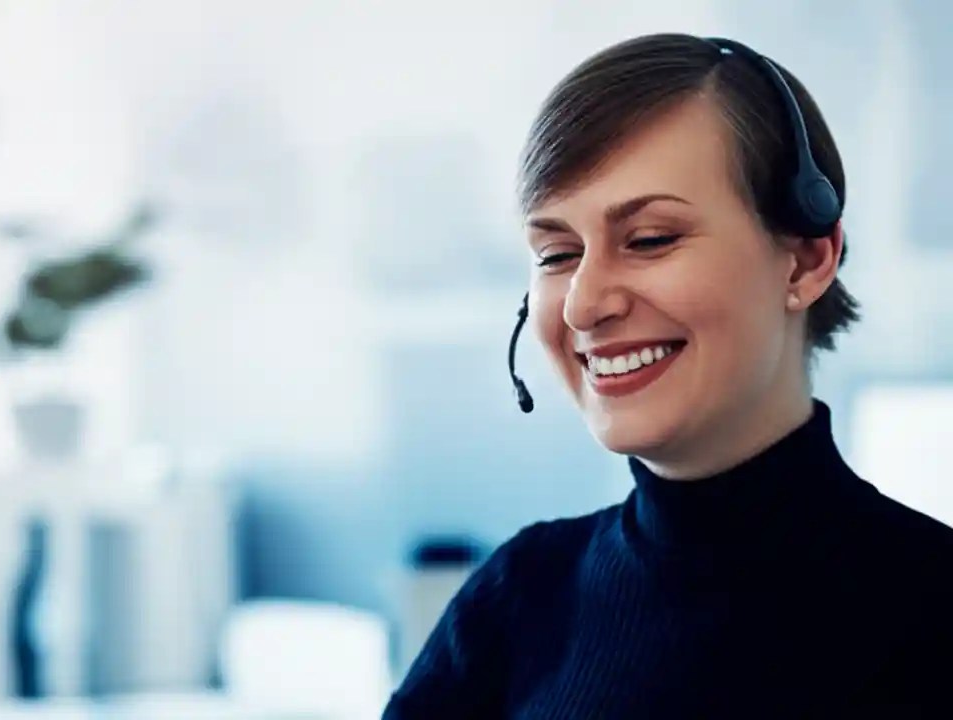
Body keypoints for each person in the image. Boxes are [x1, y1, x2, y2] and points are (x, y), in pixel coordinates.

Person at [383, 33, 953, 719]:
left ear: (804, 262)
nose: (586, 304)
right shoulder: (520, 594)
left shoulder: (931, 612)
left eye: (650, 239)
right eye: (558, 253)